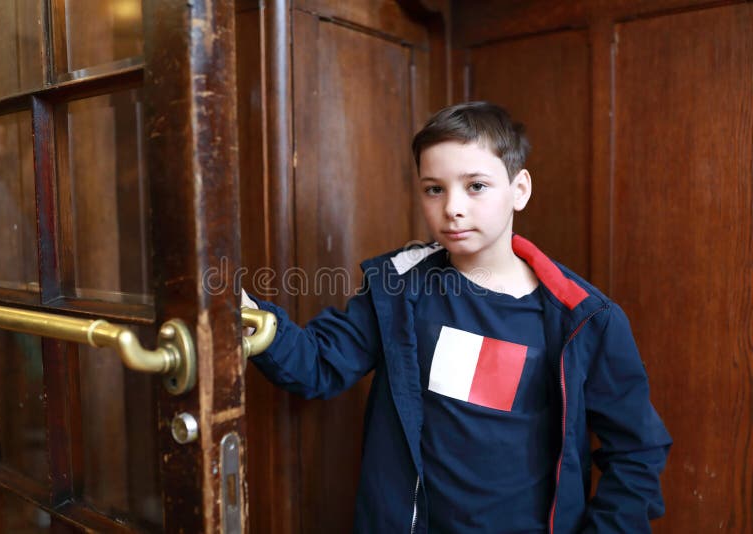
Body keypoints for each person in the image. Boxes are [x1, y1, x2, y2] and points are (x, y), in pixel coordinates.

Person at [242, 101, 671, 533]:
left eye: (476, 186)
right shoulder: (398, 289)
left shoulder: (585, 318)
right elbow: (319, 363)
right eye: (434, 189)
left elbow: (635, 452)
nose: (452, 208)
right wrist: (253, 322)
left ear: (519, 189)